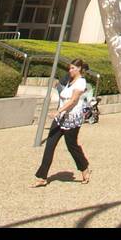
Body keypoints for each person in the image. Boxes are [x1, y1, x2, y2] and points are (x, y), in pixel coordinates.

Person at [34, 58, 91, 186]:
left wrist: (59, 111)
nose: (70, 70)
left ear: (79, 69)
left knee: (72, 146)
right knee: (50, 145)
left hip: (71, 119)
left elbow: (73, 100)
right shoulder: (69, 80)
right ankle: (42, 177)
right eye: (69, 68)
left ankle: (84, 167)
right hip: (60, 119)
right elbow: (63, 94)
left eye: (73, 68)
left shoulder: (81, 82)